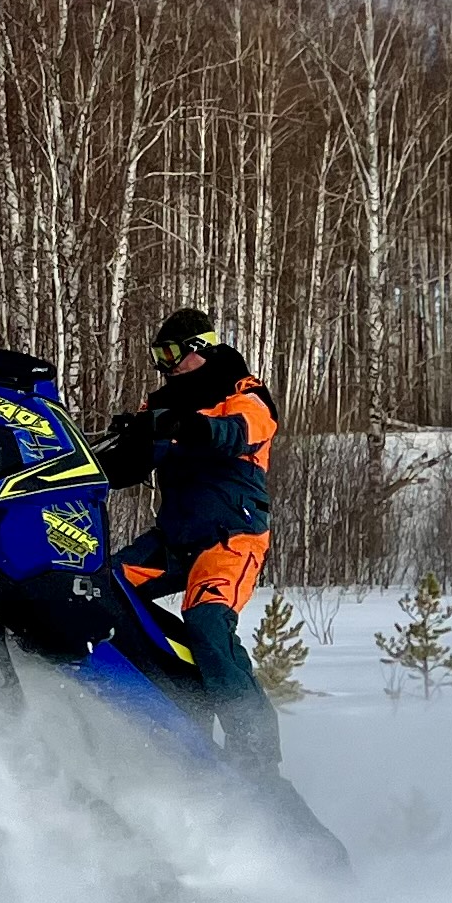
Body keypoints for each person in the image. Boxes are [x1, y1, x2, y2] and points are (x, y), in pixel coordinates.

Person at [100, 307, 282, 775]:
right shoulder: (161, 403)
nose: (165, 364)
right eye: (158, 355)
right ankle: (174, 696)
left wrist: (184, 426)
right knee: (100, 589)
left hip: (231, 538)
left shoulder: (243, 391)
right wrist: (115, 445)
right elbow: (127, 466)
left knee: (206, 620)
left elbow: (236, 433)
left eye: (172, 353)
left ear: (201, 348)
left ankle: (255, 752)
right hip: (174, 539)